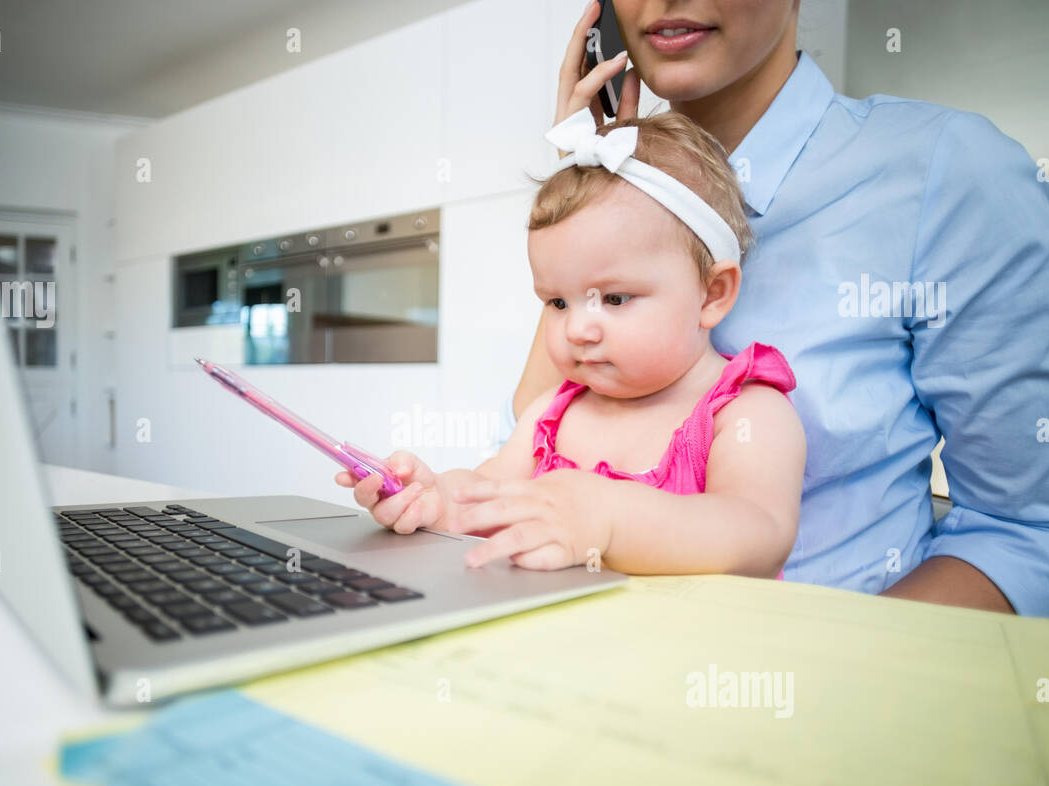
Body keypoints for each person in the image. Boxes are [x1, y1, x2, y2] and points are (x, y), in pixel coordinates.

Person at [495, 0, 1049, 623]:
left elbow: (1040, 536)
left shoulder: (952, 172)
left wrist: (823, 680)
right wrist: (587, 204)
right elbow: (539, 427)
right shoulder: (612, 180)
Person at [337, 107, 805, 577]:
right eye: (557, 303)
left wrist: (610, 520)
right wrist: (432, 500)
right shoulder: (552, 415)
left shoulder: (743, 412)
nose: (577, 329)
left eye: (616, 298)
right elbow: (486, 496)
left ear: (713, 293)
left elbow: (760, 534)